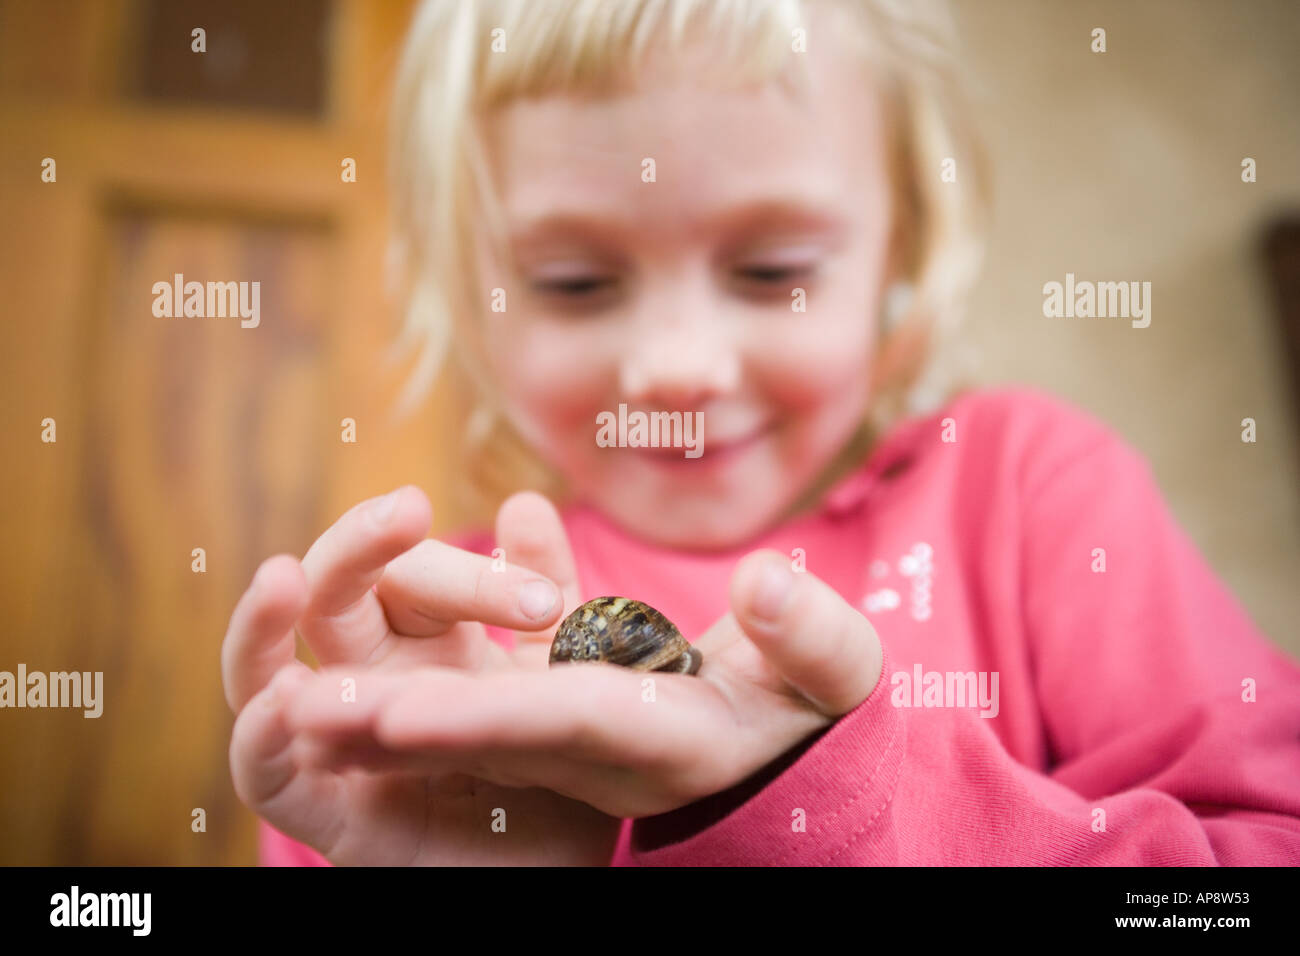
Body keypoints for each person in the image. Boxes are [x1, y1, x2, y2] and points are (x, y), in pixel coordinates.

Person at [221, 0, 1300, 866]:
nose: (678, 363)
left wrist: (833, 805)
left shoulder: (1031, 492)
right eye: (577, 282)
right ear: (470, 295)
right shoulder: (427, 660)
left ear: (904, 248)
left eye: (771, 272)